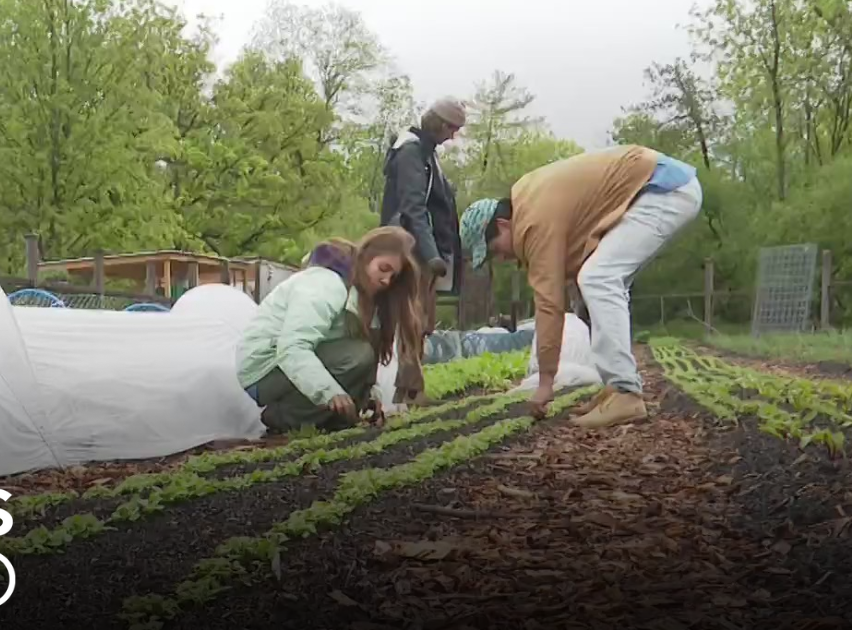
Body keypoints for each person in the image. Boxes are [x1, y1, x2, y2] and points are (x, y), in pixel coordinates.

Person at [457, 144, 703, 429]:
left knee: (598, 278)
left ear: (502, 225)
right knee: (598, 280)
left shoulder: (533, 221)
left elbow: (549, 303)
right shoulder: (530, 200)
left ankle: (626, 393)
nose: (500, 259)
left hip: (662, 190)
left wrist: (546, 382)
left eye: (493, 250)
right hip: (659, 188)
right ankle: (617, 386)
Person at [237, 227, 426, 433]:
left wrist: (368, 398)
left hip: (285, 363)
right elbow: (292, 347)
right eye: (383, 268)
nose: (386, 280)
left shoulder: (360, 297)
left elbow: (363, 363)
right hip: (263, 367)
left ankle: (328, 422)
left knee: (363, 354)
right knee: (358, 355)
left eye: (393, 276)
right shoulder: (326, 284)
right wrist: (330, 393)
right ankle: (284, 419)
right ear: (366, 258)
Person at [379, 97, 466, 404]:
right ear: (438, 124)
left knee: (421, 322)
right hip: (413, 248)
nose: (453, 136)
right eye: (452, 128)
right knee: (412, 319)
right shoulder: (411, 152)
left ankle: (409, 390)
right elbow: (413, 208)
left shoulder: (426, 154)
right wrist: (431, 254)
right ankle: (411, 392)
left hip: (424, 248)